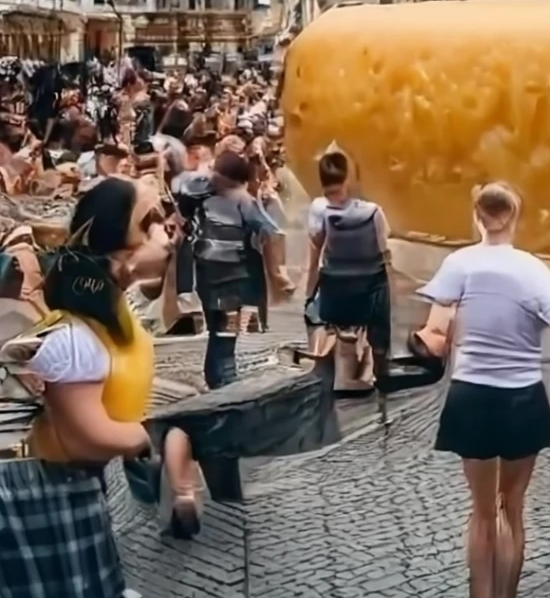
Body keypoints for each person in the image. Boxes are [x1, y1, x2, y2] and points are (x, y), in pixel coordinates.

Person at [0, 178, 201, 597]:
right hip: (49, 489)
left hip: (74, 485)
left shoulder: (111, 321)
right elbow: (87, 435)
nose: (168, 234)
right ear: (121, 254)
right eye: (152, 224)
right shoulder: (77, 341)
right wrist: (150, 437)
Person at [418, 182, 550, 598]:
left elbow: (434, 331)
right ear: (516, 217)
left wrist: (430, 341)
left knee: (481, 512)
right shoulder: (533, 268)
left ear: (477, 217)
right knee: (512, 508)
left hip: (471, 395)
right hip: (522, 398)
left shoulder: (458, 264)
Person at [174, 151, 289, 389]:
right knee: (226, 332)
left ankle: (217, 375)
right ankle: (224, 377)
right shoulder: (240, 200)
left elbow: (184, 196)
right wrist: (278, 272)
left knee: (219, 329)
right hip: (233, 278)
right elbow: (271, 229)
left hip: (208, 274)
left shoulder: (203, 193)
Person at [305, 150, 392, 408]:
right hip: (371, 285)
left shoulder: (318, 209)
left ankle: (333, 372)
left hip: (336, 287)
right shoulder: (373, 212)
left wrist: (309, 292)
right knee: (379, 326)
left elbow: (315, 250)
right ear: (347, 180)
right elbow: (385, 251)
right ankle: (382, 372)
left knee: (328, 318)